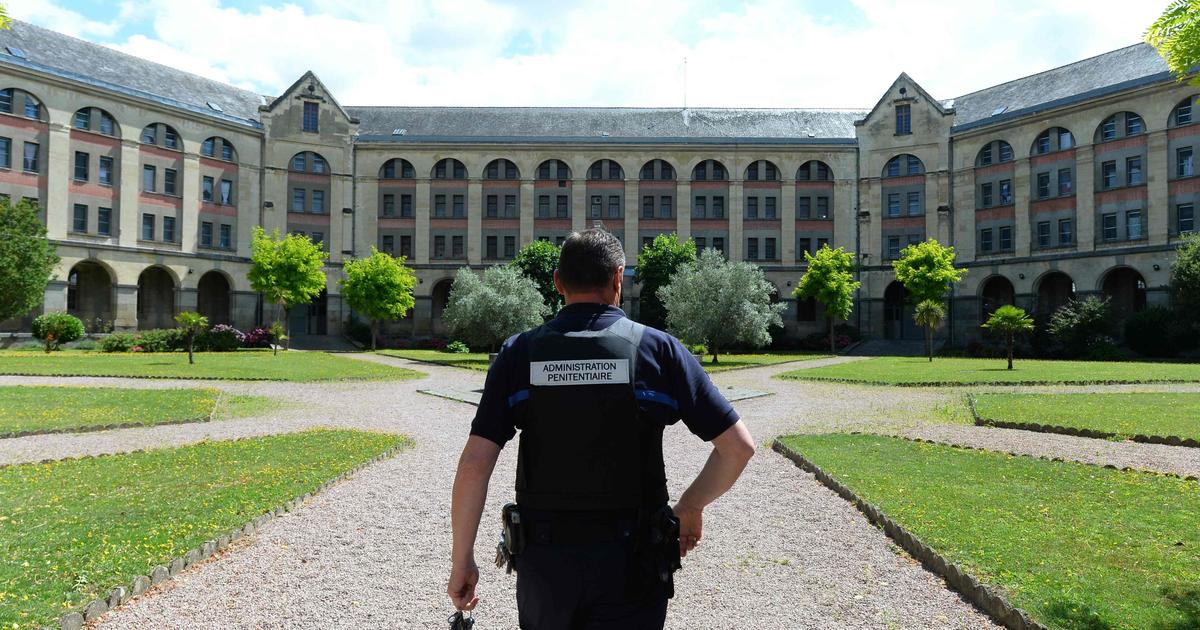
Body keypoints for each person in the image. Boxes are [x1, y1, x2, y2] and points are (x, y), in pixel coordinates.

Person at [447, 228, 756, 629]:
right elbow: (738, 448)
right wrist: (691, 505)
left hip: (546, 562)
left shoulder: (519, 353)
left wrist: (462, 559)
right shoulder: (658, 350)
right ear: (618, 278)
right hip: (633, 561)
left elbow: (475, 462)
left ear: (557, 282)